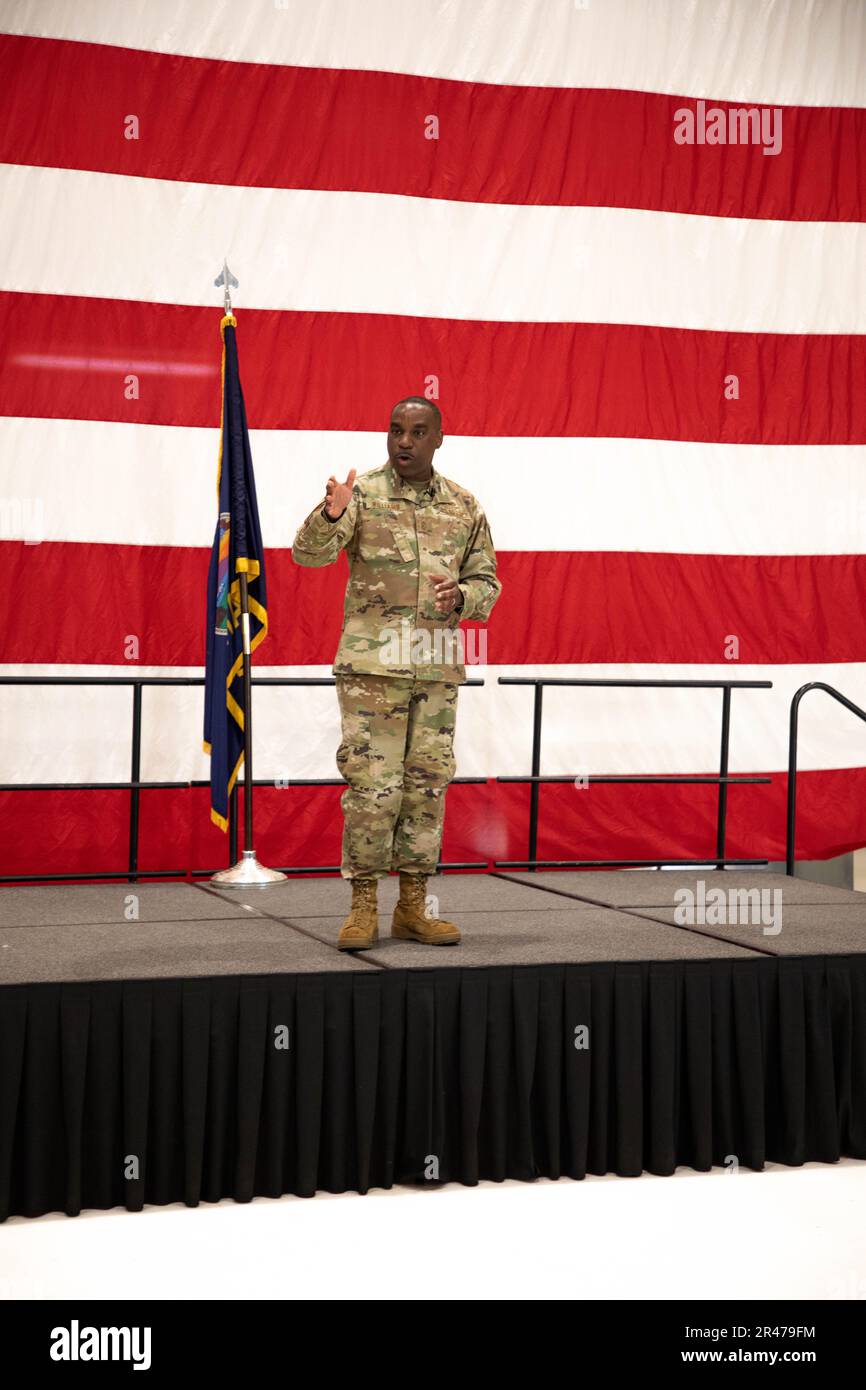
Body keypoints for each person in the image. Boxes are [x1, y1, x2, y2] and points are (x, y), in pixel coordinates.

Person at [292, 397, 501, 949]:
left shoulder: (464, 506)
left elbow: (488, 583)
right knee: (372, 790)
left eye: (416, 432)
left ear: (438, 440)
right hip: (372, 670)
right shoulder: (361, 495)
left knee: (425, 789)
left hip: (434, 667)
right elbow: (307, 556)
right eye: (395, 430)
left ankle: (412, 906)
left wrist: (465, 595)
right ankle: (363, 905)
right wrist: (330, 515)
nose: (404, 441)